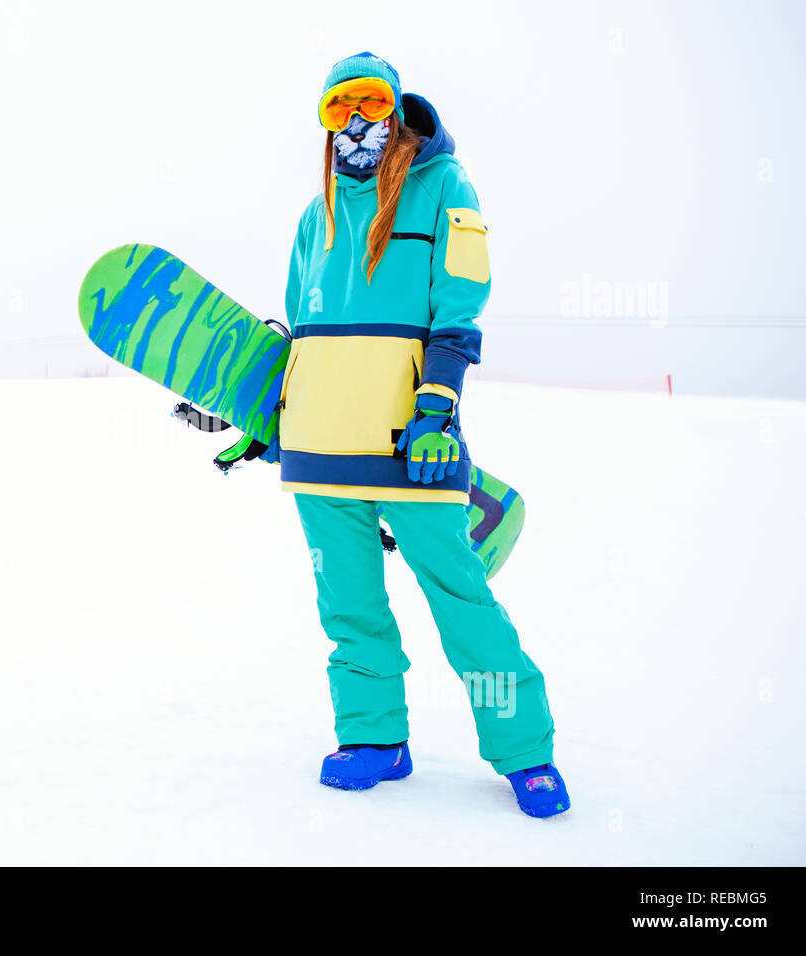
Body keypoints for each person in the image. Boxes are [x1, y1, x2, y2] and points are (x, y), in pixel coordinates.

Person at [272, 52, 568, 817]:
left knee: (462, 602)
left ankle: (525, 750)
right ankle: (374, 739)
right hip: (318, 449)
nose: (357, 120)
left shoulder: (444, 187)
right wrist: (270, 418)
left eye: (371, 103)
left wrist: (437, 406)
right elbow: (306, 332)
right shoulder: (318, 213)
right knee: (349, 607)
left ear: (397, 107)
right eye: (340, 109)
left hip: (411, 443)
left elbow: (458, 309)